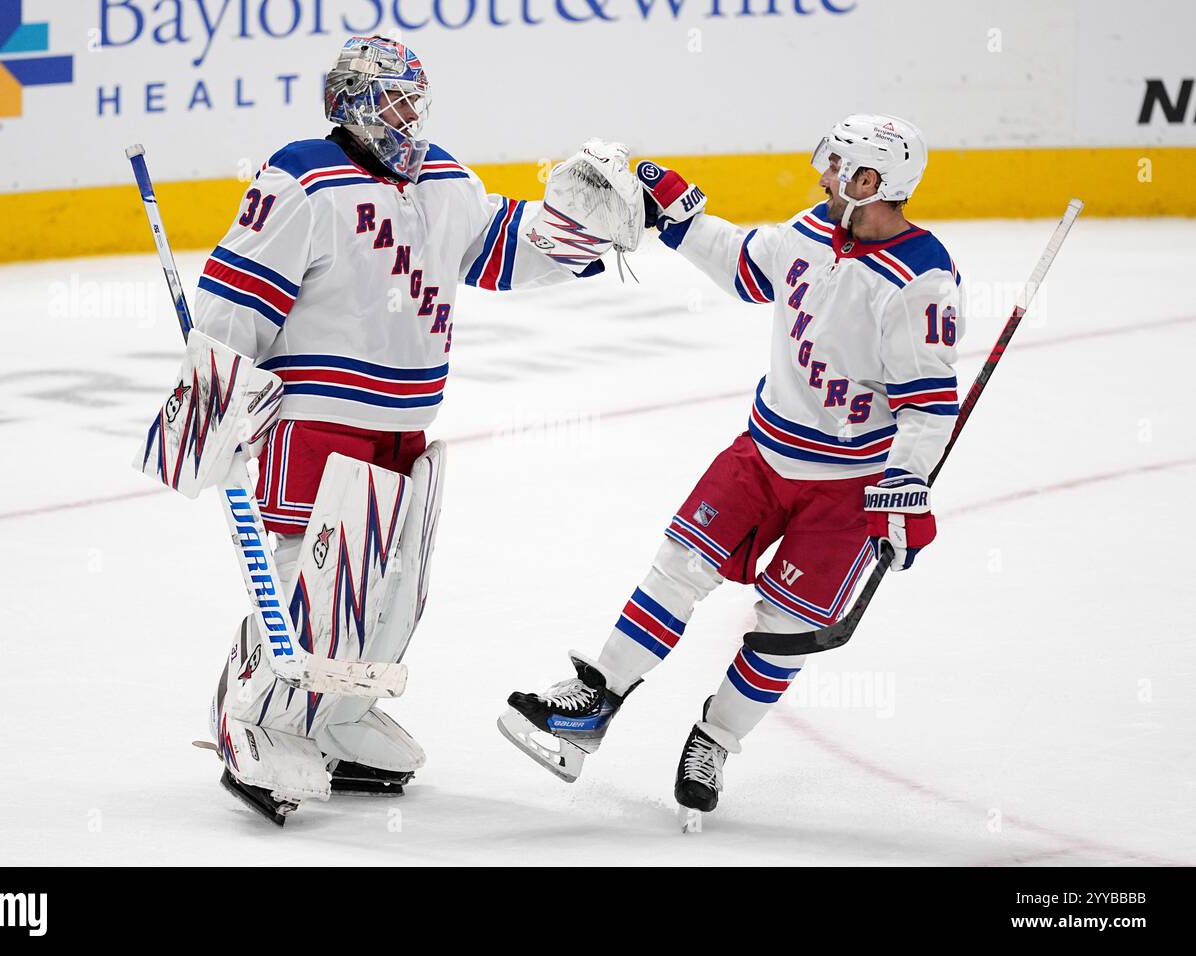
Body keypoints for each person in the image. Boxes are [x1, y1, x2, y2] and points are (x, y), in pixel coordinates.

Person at [136, 34, 641, 822]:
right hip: (316, 422)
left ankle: (335, 718)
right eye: (391, 100)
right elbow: (234, 304)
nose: (408, 115)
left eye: (415, 99)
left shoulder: (444, 178)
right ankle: (252, 715)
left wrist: (580, 229)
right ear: (350, 104)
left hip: (407, 426)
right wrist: (215, 405)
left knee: (393, 591)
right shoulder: (301, 177)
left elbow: (504, 249)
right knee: (319, 581)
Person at [500, 114, 964, 818]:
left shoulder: (920, 279)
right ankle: (596, 699)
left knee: (785, 627)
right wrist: (678, 214)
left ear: (871, 182)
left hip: (846, 487)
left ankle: (715, 739)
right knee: (679, 567)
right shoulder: (812, 229)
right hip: (762, 454)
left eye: (839, 166)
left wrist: (903, 491)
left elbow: (928, 406)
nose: (823, 173)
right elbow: (747, 265)